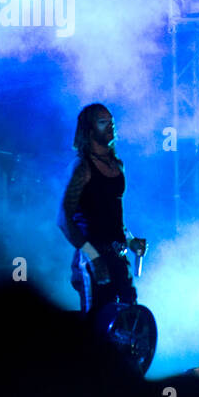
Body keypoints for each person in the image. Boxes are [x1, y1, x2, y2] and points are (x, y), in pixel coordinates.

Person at [59, 103, 147, 313]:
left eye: (111, 122)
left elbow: (112, 217)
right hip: (92, 259)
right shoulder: (82, 169)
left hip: (118, 256)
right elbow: (63, 219)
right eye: (103, 122)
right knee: (96, 324)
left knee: (128, 320)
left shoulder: (117, 166)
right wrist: (93, 255)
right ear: (89, 130)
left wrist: (131, 241)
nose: (110, 127)